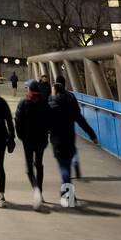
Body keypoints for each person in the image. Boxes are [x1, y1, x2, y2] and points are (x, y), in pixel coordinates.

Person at [48, 80, 97, 208]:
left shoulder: (51, 105)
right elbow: (81, 120)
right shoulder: (71, 105)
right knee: (67, 167)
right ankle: (66, 193)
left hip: (57, 140)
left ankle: (68, 196)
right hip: (70, 139)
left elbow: (45, 123)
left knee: (63, 168)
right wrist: (92, 135)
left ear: (55, 91)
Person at [14, 79, 50, 209]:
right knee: (39, 164)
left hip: (28, 140)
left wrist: (20, 136)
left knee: (29, 169)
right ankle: (40, 191)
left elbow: (18, 121)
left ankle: (36, 190)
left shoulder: (24, 103)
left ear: (29, 90)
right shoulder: (44, 103)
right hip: (41, 140)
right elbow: (49, 120)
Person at [55, 74, 84, 180]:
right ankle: (75, 162)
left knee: (63, 165)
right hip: (70, 131)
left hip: (57, 135)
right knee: (71, 149)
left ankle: (67, 191)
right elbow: (78, 114)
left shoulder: (54, 97)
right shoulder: (71, 96)